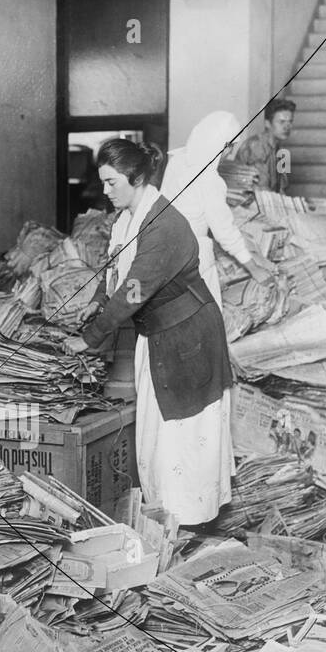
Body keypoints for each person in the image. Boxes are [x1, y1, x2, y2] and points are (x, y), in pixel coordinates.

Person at [66, 139, 234, 531]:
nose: (104, 191)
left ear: (137, 178)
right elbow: (115, 267)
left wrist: (90, 338)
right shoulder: (127, 216)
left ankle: (188, 524)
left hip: (187, 338)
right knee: (157, 438)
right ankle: (167, 521)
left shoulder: (163, 226)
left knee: (183, 442)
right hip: (158, 334)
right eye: (103, 182)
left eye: (111, 183)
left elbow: (135, 289)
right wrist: (98, 297)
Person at [159, 110, 277, 304]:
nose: (229, 154)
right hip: (191, 259)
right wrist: (255, 269)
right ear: (220, 145)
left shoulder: (177, 160)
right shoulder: (209, 180)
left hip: (163, 253)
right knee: (205, 319)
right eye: (229, 148)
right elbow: (225, 233)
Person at [235, 98, 296, 194]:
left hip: (267, 201)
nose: (287, 127)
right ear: (267, 123)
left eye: (290, 122)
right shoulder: (256, 146)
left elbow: (282, 189)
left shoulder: (282, 151)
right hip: (247, 204)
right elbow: (262, 190)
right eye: (281, 122)